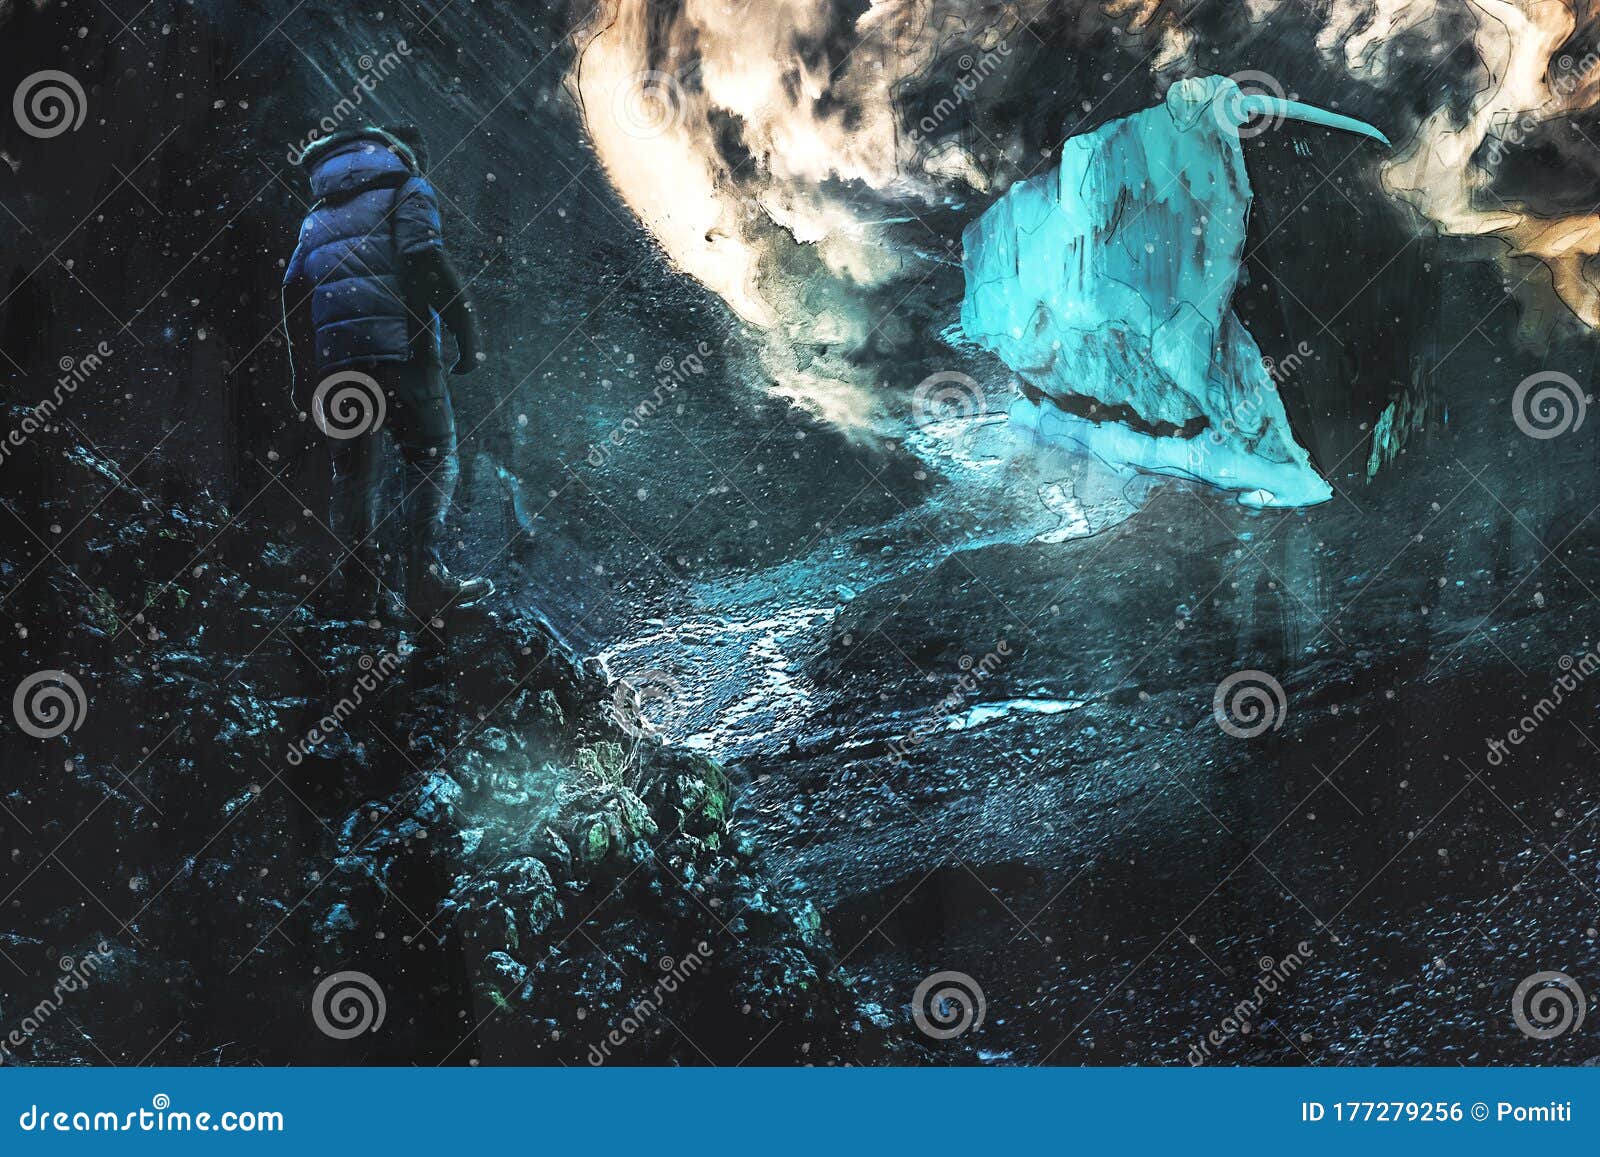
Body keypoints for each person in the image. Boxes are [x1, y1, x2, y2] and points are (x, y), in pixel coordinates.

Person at [282, 124, 492, 620]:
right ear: (393, 155)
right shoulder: (406, 189)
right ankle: (425, 581)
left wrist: (304, 373)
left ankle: (361, 589)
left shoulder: (315, 218)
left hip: (339, 366)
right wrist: (464, 327)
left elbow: (293, 294)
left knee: (354, 474)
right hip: (402, 350)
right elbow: (424, 259)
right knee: (433, 457)